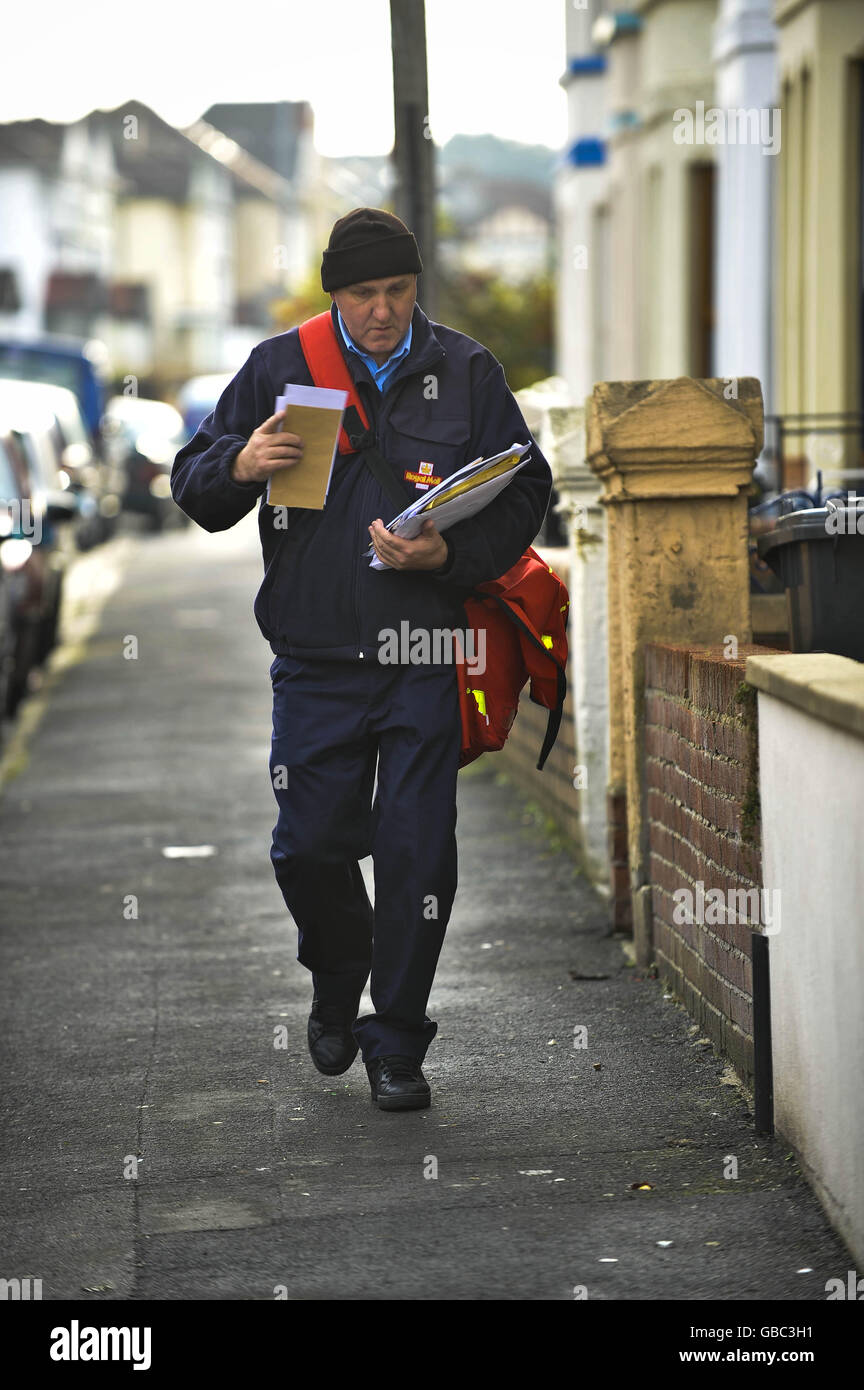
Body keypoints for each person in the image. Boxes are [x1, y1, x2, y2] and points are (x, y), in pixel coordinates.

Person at [171, 207, 553, 1111]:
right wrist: (242, 462)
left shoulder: (466, 370)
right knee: (308, 846)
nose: (381, 311)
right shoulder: (279, 366)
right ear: (334, 293)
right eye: (362, 293)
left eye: (396, 290)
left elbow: (527, 488)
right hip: (314, 656)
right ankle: (337, 975)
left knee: (417, 854)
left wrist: (450, 561)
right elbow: (193, 486)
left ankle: (398, 1041)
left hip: (425, 650)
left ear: (414, 286)